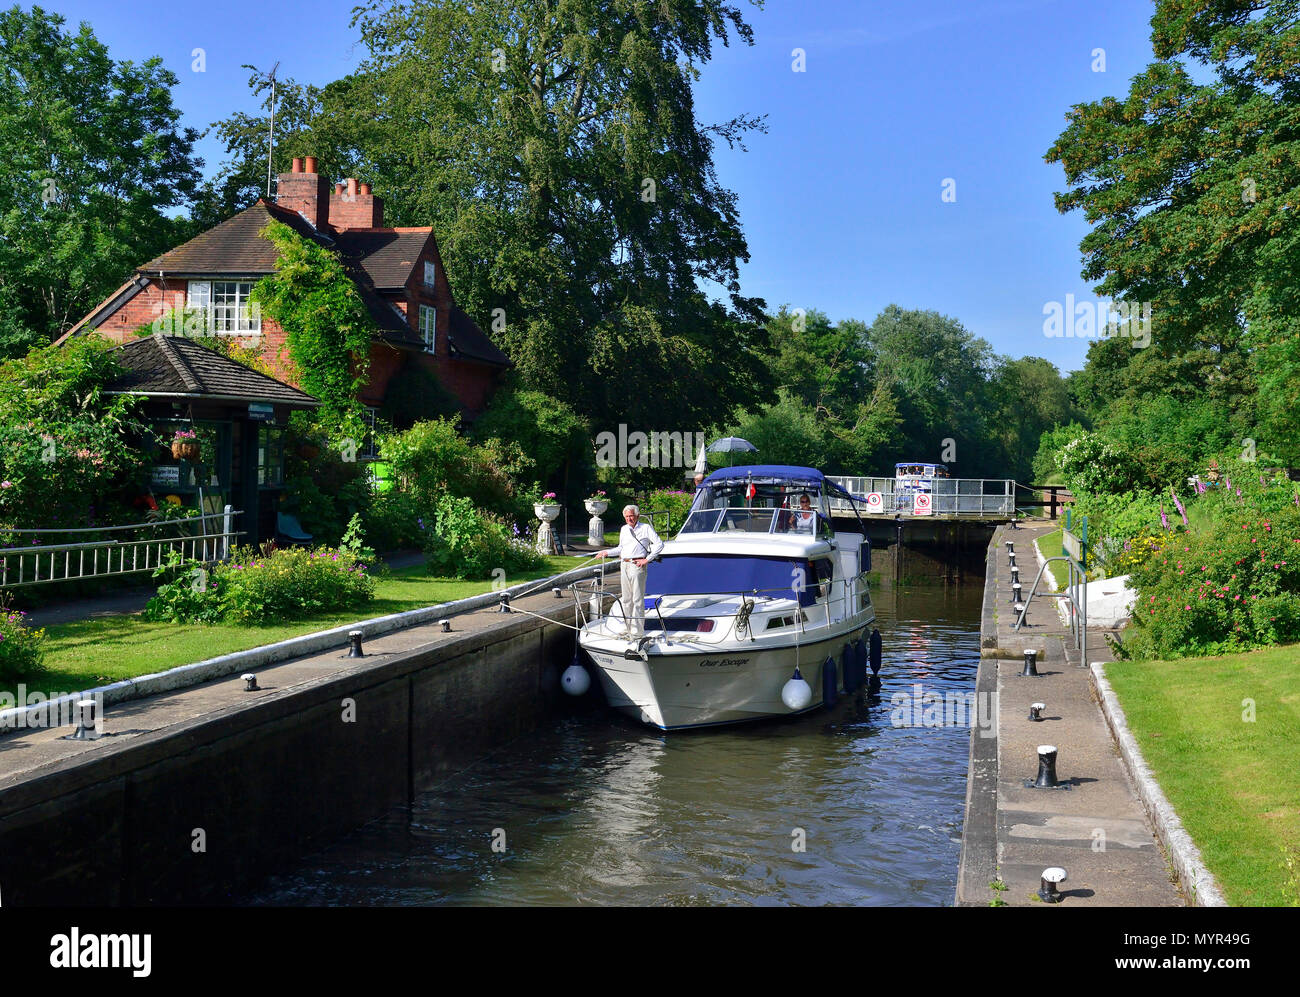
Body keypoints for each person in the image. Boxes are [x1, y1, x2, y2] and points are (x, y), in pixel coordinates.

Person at [596, 504, 664, 638]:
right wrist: (606, 552)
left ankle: (637, 632)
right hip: (624, 564)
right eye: (627, 517)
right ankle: (627, 629)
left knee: (637, 599)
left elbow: (659, 544)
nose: (629, 519)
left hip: (637, 565)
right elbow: (621, 548)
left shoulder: (645, 528)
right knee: (626, 599)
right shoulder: (624, 529)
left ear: (637, 515)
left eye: (631, 516)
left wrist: (647, 559)